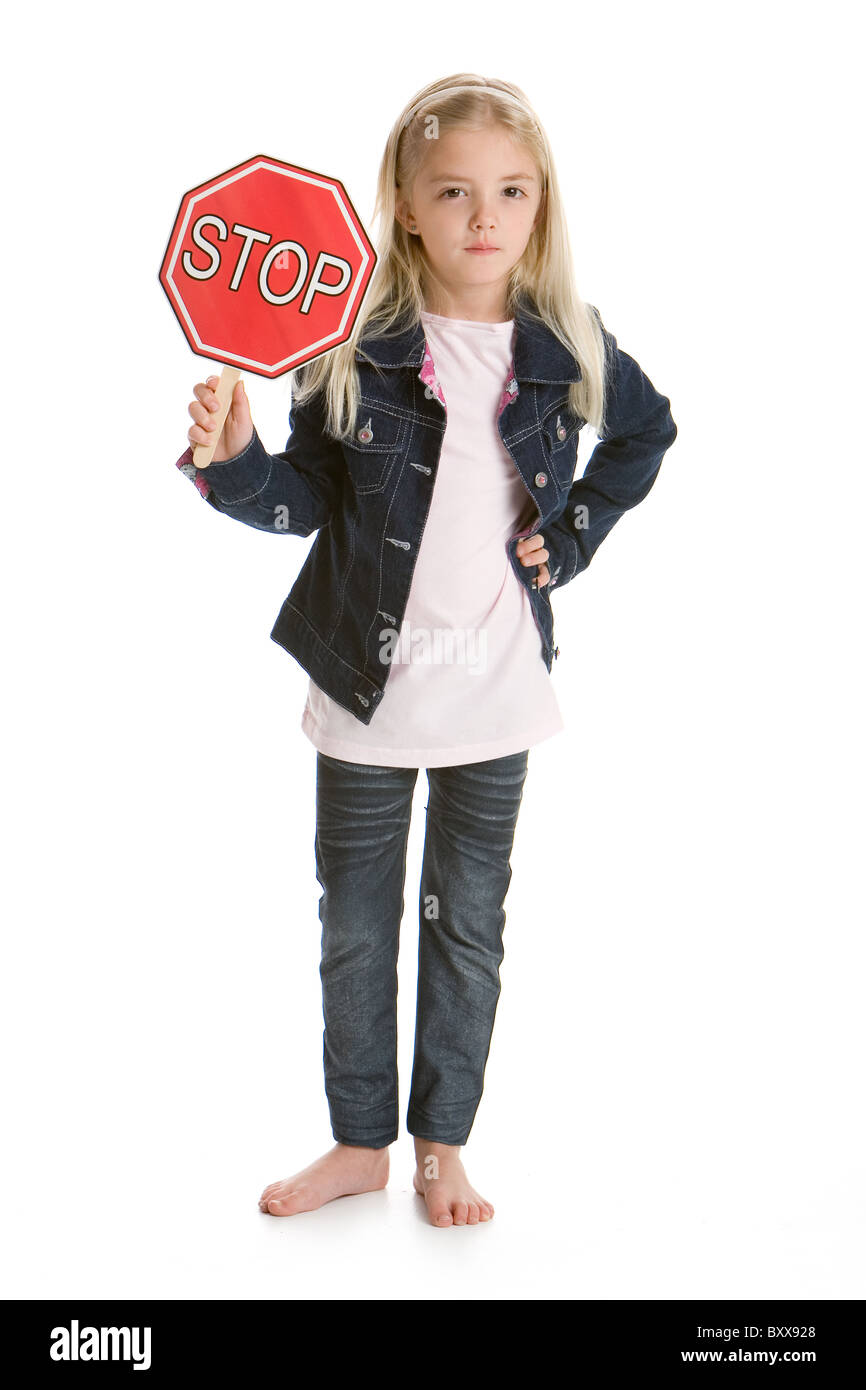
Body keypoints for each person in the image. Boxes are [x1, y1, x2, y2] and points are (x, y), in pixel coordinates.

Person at [176, 74, 678, 1228]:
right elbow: (301, 502)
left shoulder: (568, 344)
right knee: (353, 925)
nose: (482, 215)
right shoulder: (352, 343)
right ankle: (359, 1142)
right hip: (366, 687)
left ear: (540, 202)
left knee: (468, 925)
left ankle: (442, 1145)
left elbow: (646, 432)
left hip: (495, 698)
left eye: (508, 190)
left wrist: (575, 532)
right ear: (405, 205)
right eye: (452, 192)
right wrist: (233, 459)